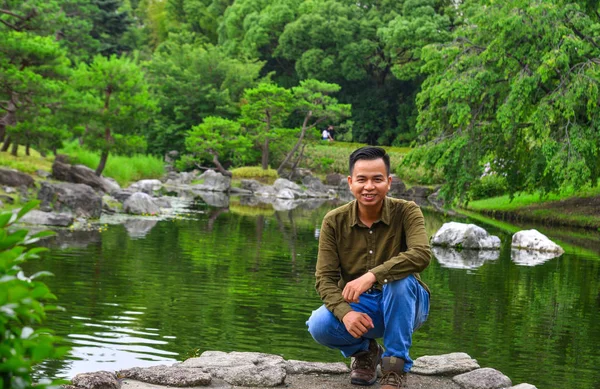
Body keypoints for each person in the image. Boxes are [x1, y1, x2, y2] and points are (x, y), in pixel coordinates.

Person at [306, 146, 431, 389]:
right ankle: (366, 352)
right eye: (362, 179)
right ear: (351, 182)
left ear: (389, 182)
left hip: (407, 303)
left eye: (377, 179)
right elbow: (325, 279)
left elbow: (421, 254)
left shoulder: (407, 211)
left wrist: (372, 276)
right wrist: (346, 313)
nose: (369, 187)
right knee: (318, 324)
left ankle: (394, 370)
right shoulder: (334, 221)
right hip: (363, 308)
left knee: (399, 280)